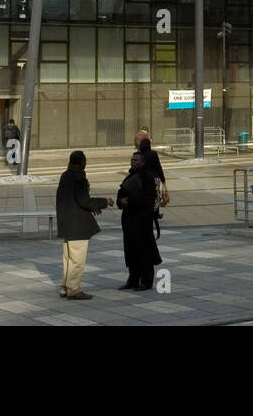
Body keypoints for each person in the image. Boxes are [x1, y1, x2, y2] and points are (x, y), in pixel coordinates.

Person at [54, 150, 113, 300]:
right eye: (84, 161)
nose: (85, 164)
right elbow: (84, 201)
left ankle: (65, 287)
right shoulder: (78, 178)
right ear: (81, 163)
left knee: (68, 258)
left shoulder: (65, 175)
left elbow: (73, 199)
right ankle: (73, 289)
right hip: (77, 225)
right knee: (77, 260)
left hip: (66, 223)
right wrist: (105, 202)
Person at [117, 152, 163, 291]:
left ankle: (146, 280)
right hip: (129, 220)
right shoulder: (130, 176)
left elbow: (148, 199)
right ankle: (133, 279)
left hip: (142, 220)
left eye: (136, 160)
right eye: (132, 160)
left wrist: (130, 201)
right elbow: (121, 193)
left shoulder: (147, 177)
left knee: (144, 251)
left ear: (143, 162)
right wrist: (121, 201)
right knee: (131, 250)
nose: (133, 162)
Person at [134, 128, 170, 205]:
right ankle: (155, 209)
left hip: (141, 180)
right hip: (154, 180)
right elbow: (158, 168)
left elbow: (133, 170)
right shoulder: (153, 154)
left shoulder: (136, 155)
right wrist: (164, 183)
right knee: (154, 198)